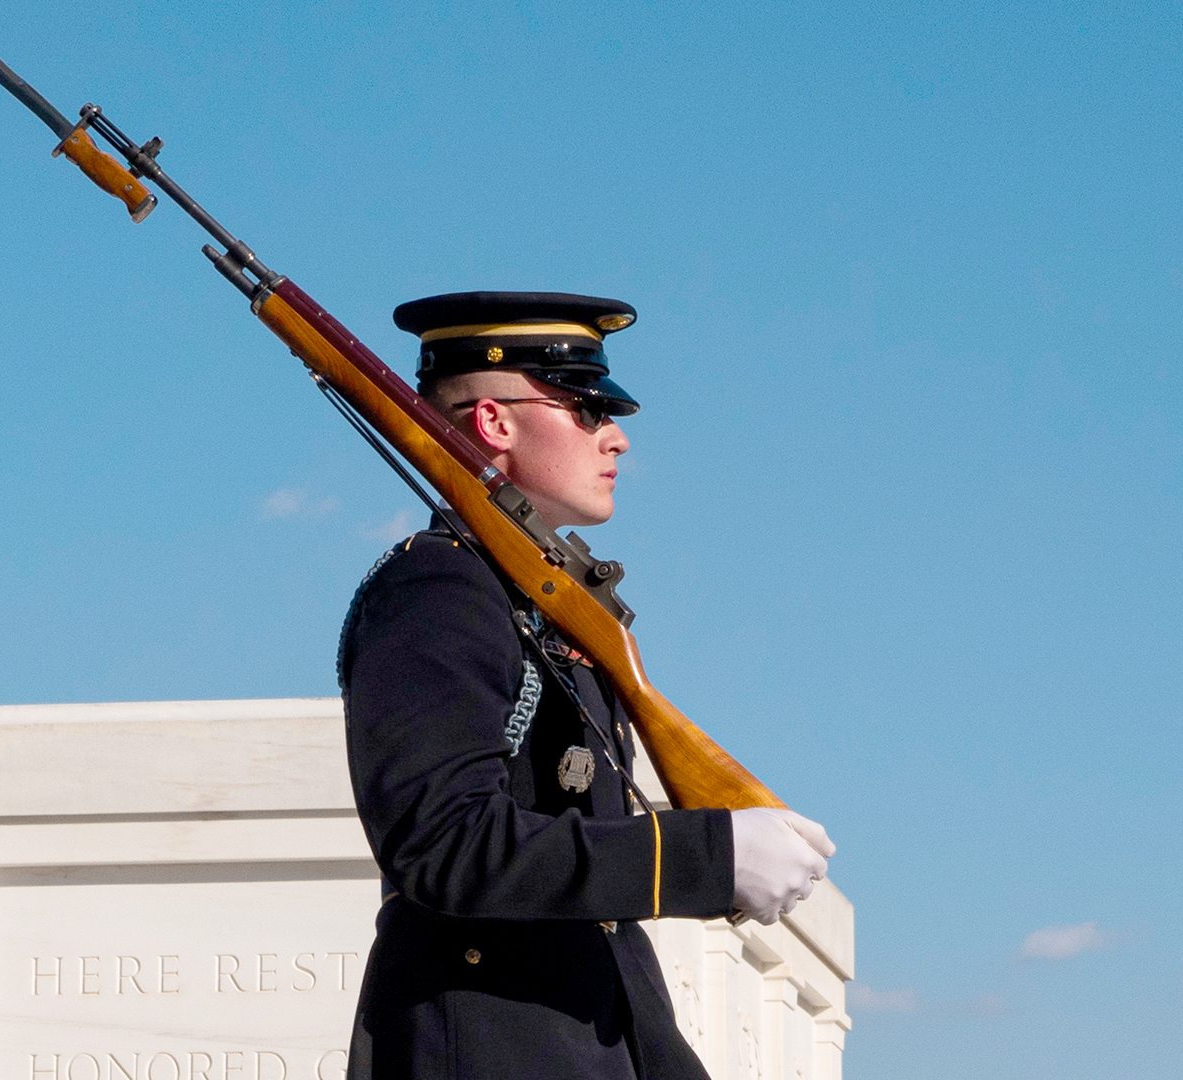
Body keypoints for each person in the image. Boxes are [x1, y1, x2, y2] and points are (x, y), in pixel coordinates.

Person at [338, 292, 835, 1080]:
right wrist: (710, 856)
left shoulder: (533, 604)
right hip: (488, 1043)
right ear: (495, 423)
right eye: (586, 409)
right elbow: (442, 843)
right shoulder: (438, 589)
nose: (618, 438)